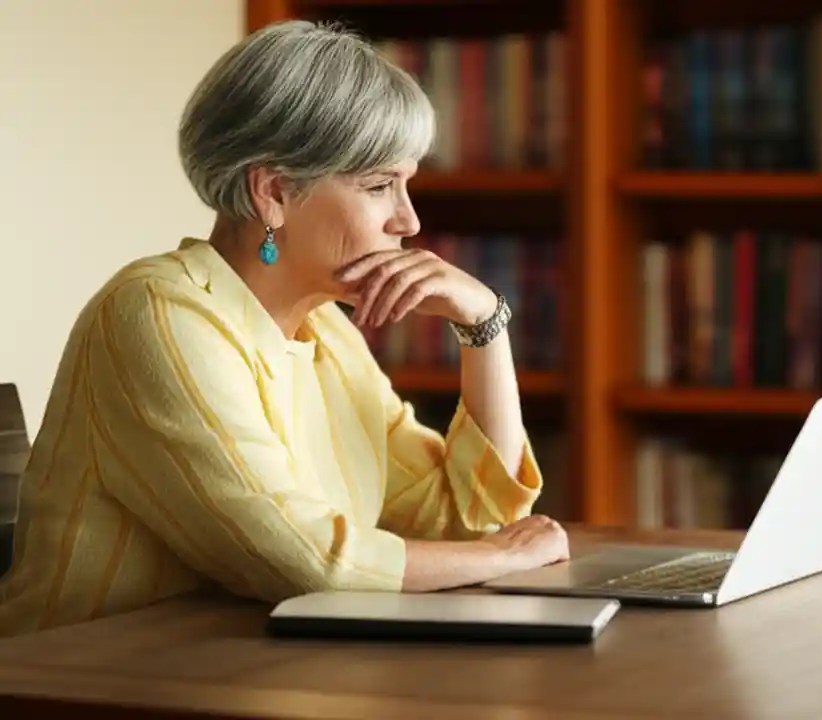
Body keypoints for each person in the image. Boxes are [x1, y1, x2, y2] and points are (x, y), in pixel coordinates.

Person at [0, 20, 569, 637]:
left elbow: (464, 516)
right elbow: (302, 561)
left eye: (406, 184)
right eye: (380, 186)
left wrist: (484, 325)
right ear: (272, 193)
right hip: (71, 686)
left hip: (238, 676)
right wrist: (506, 559)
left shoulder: (325, 332)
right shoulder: (156, 313)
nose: (407, 220)